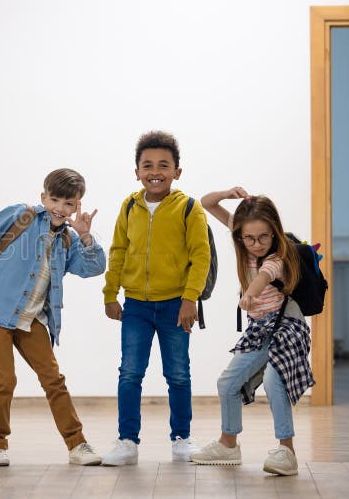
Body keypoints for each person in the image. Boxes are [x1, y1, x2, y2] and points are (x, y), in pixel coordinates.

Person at [0, 168, 106, 466]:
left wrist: (85, 235)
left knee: (54, 380)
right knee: (5, 382)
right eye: (54, 200)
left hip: (33, 319)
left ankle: (77, 445)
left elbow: (92, 268)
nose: (60, 208)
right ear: (43, 197)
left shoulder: (70, 239)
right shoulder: (21, 216)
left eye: (68, 204)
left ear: (77, 205)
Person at [101, 131, 210, 466]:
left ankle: (181, 438)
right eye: (147, 165)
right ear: (136, 171)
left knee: (178, 374)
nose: (155, 170)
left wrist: (190, 299)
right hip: (135, 305)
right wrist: (110, 293)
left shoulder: (189, 208)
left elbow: (200, 255)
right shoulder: (129, 206)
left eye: (164, 164)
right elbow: (118, 251)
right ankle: (127, 441)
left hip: (176, 305)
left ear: (177, 171)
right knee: (130, 372)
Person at [191, 188, 314, 476]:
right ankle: (228, 444)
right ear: (239, 235)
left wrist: (249, 295)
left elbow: (265, 275)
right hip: (261, 328)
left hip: (287, 326)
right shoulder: (243, 236)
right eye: (249, 238)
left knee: (275, 380)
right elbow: (207, 203)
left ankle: (287, 451)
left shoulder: (279, 256)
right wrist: (228, 193)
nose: (256, 244)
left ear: (274, 233)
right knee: (228, 383)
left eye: (263, 237)